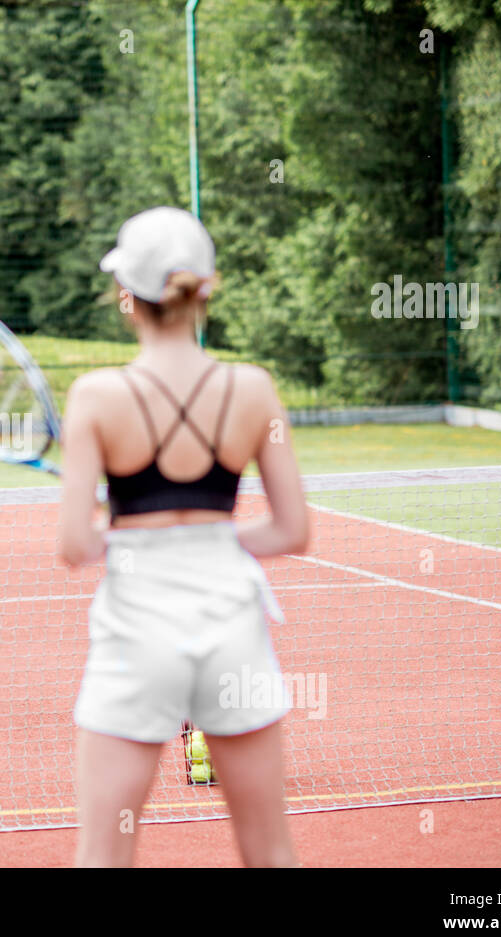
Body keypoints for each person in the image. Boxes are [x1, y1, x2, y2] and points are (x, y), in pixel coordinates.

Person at [58, 206, 309, 867]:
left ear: (128, 298)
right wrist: (207, 542)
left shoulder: (95, 396)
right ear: (207, 288)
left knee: (103, 856)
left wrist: (136, 542)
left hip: (134, 634)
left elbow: (74, 546)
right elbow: (292, 529)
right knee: (270, 852)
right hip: (233, 625)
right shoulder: (253, 388)